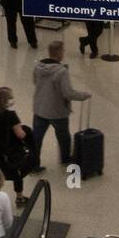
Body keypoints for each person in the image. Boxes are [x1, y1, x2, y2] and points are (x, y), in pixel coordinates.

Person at [31, 40, 90, 171]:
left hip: (40, 108)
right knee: (63, 137)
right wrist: (83, 95)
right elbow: (68, 93)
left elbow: (35, 82)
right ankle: (65, 158)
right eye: (63, 51)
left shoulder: (38, 67)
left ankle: (34, 164)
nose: (64, 53)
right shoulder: (62, 72)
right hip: (57, 111)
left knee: (36, 137)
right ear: (58, 53)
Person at [0, 86, 32, 207]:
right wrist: (26, 131)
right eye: (10, 97)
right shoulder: (11, 115)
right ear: (5, 100)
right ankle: (19, 198)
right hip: (9, 149)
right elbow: (20, 134)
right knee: (16, 173)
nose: (13, 99)